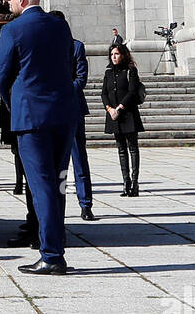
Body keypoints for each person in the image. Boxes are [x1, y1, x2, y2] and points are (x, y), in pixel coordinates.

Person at [0, 0, 76, 275]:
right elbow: (67, 65)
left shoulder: (12, 29)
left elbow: (1, 75)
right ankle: (56, 242)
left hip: (32, 117)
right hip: (63, 114)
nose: (7, 0)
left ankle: (51, 254)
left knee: (41, 186)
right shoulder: (60, 26)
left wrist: (14, 103)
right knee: (58, 183)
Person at [52, 11, 94, 220]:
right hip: (52, 111)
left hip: (72, 108)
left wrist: (62, 92)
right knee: (57, 163)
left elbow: (81, 78)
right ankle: (58, 204)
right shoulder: (47, 48)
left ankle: (85, 203)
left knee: (79, 159)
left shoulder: (76, 47)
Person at [102, 42, 145, 196]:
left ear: (123, 55)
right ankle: (125, 182)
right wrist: (110, 109)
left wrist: (119, 108)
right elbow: (104, 93)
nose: (114, 57)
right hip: (114, 115)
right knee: (121, 149)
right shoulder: (108, 72)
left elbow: (132, 92)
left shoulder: (130, 70)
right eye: (112, 54)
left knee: (132, 148)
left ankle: (135, 183)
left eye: (117, 54)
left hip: (128, 114)